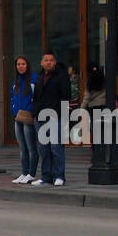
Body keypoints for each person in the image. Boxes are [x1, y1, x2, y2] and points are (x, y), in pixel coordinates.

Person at [30, 50, 70, 186]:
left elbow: (66, 97)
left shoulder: (61, 76)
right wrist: (35, 113)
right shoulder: (40, 77)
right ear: (41, 63)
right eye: (46, 60)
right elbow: (35, 97)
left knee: (56, 147)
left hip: (55, 117)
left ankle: (59, 176)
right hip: (40, 117)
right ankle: (46, 176)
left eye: (51, 60)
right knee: (44, 148)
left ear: (55, 62)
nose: (48, 62)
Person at [9, 56, 38, 184]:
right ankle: (24, 172)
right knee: (22, 148)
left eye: (23, 64)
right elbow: (13, 97)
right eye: (18, 64)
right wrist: (14, 109)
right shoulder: (15, 81)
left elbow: (35, 96)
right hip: (18, 117)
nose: (20, 66)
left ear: (27, 65)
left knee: (31, 147)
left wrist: (30, 109)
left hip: (28, 116)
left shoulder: (33, 79)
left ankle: (31, 173)